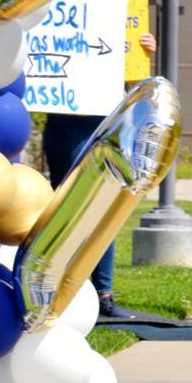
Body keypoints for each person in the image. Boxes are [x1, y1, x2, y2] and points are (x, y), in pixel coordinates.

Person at [42, 32, 157, 319]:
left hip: (110, 123)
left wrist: (141, 55)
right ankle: (61, 290)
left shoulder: (121, 14)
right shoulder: (65, 10)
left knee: (104, 209)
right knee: (71, 210)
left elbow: (135, 84)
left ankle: (103, 294)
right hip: (67, 122)